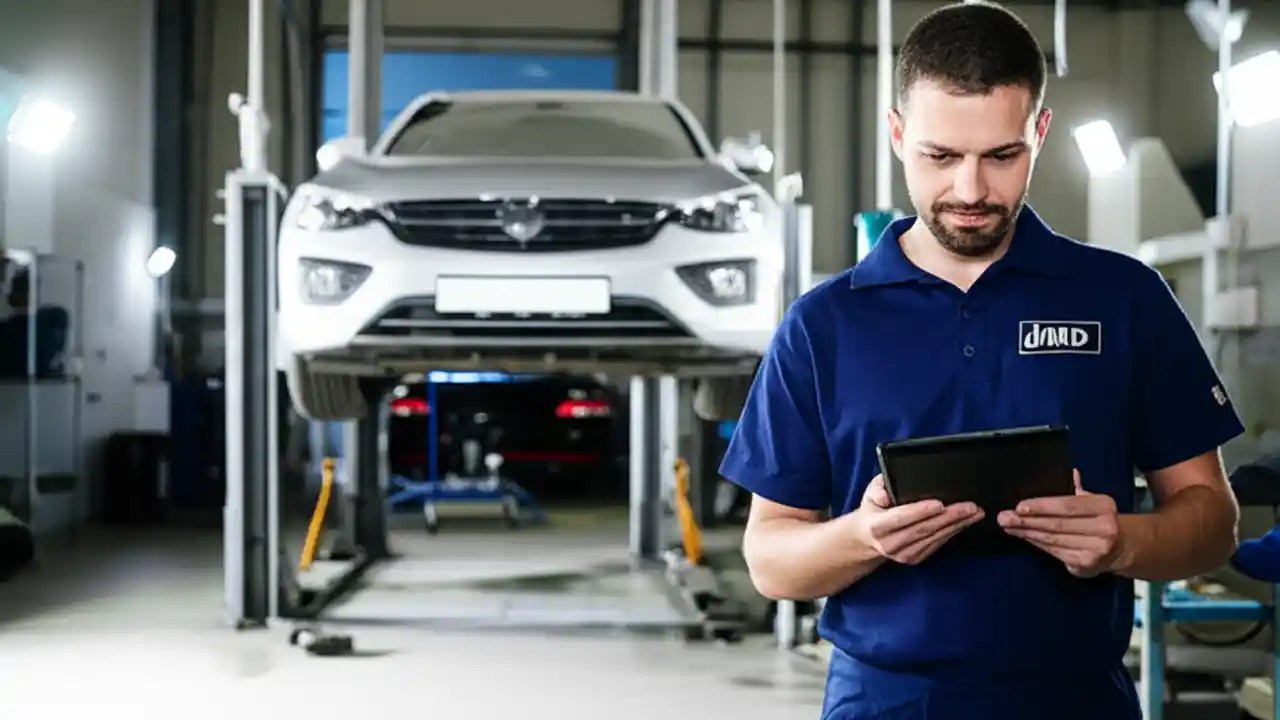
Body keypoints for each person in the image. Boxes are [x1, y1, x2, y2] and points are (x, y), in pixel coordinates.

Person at [718, 3, 1244, 718]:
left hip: (1076, 697)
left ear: (1040, 133)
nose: (970, 191)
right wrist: (864, 537)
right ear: (898, 134)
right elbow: (770, 558)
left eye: (1002, 156)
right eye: (940, 156)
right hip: (884, 701)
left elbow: (1212, 520)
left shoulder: (1124, 299)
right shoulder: (825, 325)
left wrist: (1122, 539)